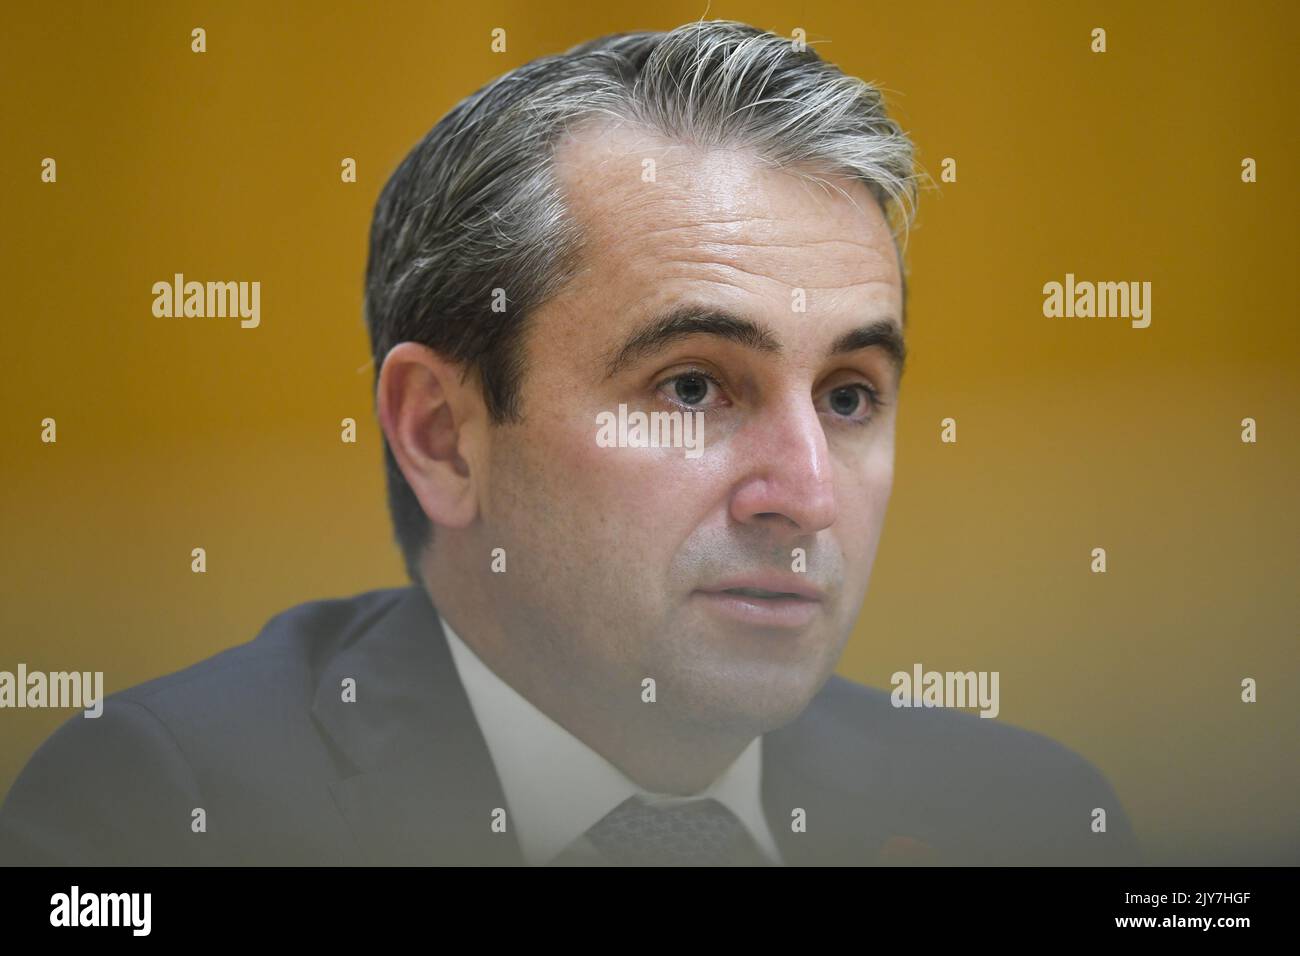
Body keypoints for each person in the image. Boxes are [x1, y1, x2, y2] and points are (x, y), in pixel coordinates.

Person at [0, 19, 1139, 867]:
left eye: (847, 395)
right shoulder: (171, 810)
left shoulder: (1023, 818)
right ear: (444, 436)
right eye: (692, 385)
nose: (805, 495)